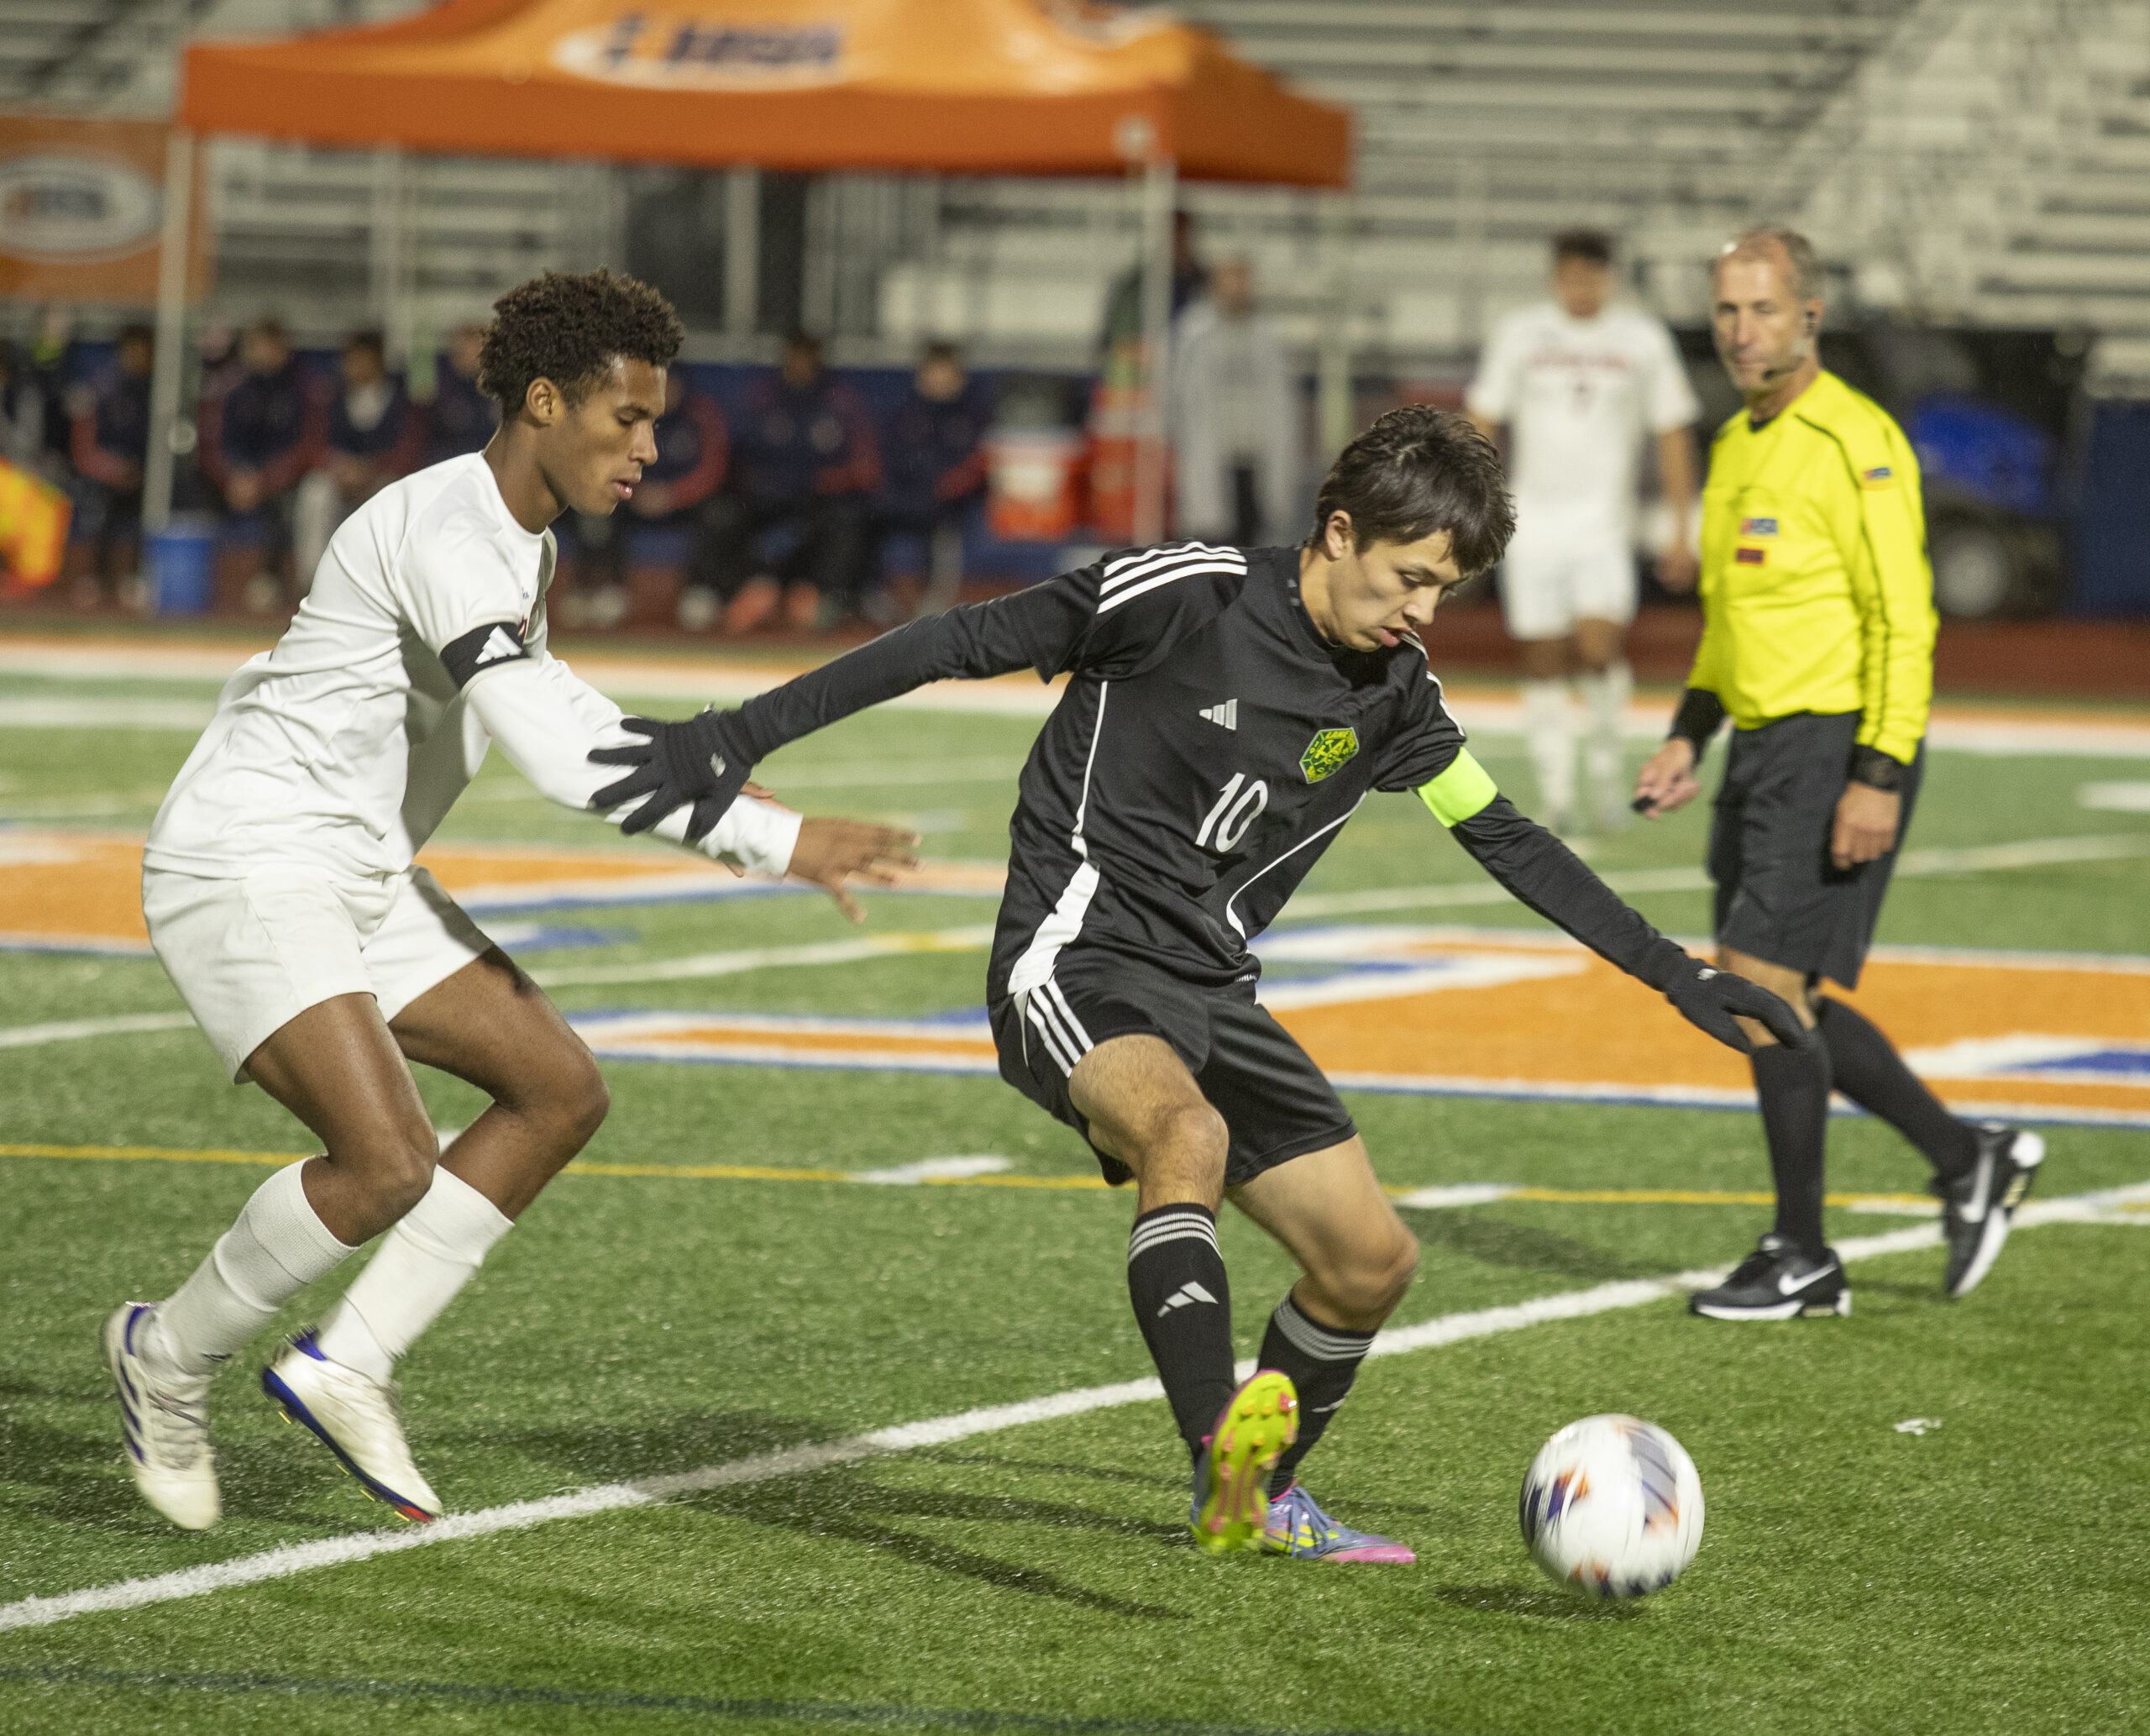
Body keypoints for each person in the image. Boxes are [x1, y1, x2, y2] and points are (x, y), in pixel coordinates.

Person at [586, 406, 1807, 1560]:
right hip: (1077, 954)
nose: (1424, 611)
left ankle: (1262, 1500)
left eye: (1446, 589)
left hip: (1214, 987)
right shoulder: (1189, 594)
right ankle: (1221, 1459)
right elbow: (952, 639)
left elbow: (1505, 835)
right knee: (1190, 1132)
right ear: (1339, 533)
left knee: (1370, 1261)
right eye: (1411, 577)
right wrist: (734, 738)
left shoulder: (1396, 699)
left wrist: (1674, 971)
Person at [104, 269, 915, 1533]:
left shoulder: (514, 537)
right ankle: (166, 1351)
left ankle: (349, 1360)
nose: (650, 448)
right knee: (383, 1161)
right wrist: (774, 835)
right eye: (628, 419)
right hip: (248, 856)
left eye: (655, 424)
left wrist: (722, 783)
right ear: (544, 399)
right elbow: (551, 752)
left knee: (558, 1088)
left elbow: (565, 712)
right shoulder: (447, 529)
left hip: (353, 865)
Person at [1633, 227, 2045, 1322]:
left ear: (1809, 317)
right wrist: (1689, 731)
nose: (1740, 329)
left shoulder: (1857, 438)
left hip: (1836, 742)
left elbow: (1903, 621)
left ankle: (1804, 1251)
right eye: (1726, 309)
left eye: (1762, 309)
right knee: (1786, 993)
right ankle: (1970, 1157)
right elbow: (1731, 622)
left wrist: (1879, 770)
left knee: (1758, 986)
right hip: (1761, 747)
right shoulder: (1733, 444)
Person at [1467, 229, 1701, 836]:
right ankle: (1555, 795)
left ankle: (1602, 767)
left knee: (1598, 650)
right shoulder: (1520, 334)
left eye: (1592, 276)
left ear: (1610, 278)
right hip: (1532, 523)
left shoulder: (1642, 340)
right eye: (1571, 275)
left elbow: (1672, 429)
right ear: (1554, 276)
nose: (1581, 287)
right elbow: (1483, 417)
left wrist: (1683, 526)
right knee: (1542, 658)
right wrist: (1474, 500)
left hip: (1603, 528)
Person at [695, 332, 879, 636]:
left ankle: (819, 595)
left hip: (818, 501)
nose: (801, 364)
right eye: (796, 355)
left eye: (809, 357)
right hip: (764, 498)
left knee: (846, 520)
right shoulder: (762, 397)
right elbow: (735, 457)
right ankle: (737, 591)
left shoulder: (841, 402)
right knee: (721, 514)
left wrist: (820, 481)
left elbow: (865, 468)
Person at [197, 317, 327, 611]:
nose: (257, 354)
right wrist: (234, 476)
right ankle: (201, 583)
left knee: (288, 506)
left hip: (282, 481)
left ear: (282, 349)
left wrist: (265, 480)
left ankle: (272, 580)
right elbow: (217, 442)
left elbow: (306, 446)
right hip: (237, 479)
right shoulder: (233, 388)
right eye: (252, 347)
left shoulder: (305, 389)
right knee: (195, 493)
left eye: (265, 347)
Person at [1169, 256, 1297, 547]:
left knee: (1252, 547)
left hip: (1253, 460)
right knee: (1209, 551)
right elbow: (1175, 397)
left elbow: (1281, 407)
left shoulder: (1266, 337)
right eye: (1232, 281)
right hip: (1211, 459)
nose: (1239, 290)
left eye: (1244, 282)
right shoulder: (1194, 334)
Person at [293, 330, 426, 589]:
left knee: (396, 495)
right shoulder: (330, 396)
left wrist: (369, 471)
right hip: (338, 479)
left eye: (363, 360)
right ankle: (312, 582)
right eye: (351, 360)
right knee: (315, 493)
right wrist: (339, 468)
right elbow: (313, 444)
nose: (355, 367)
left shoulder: (403, 399)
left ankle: (391, 585)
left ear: (378, 361)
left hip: (381, 479)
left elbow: (409, 450)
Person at [874, 340, 990, 620]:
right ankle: (877, 599)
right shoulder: (905, 414)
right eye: (933, 371)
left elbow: (979, 465)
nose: (938, 379)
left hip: (947, 503)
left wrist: (947, 488)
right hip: (902, 496)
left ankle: (935, 605)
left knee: (942, 526)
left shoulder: (972, 416)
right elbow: (885, 460)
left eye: (945, 371)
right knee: (862, 516)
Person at [67, 323, 155, 603]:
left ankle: (136, 574)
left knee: (155, 501)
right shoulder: (99, 389)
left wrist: (140, 471)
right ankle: (96, 576)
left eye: (143, 353)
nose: (137, 359)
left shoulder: (158, 391)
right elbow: (83, 449)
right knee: (100, 505)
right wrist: (116, 470)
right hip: (105, 474)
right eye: (132, 352)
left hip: (144, 473)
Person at [422, 325, 499, 468]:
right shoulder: (440, 380)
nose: (476, 356)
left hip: (484, 461)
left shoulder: (494, 385)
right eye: (468, 349)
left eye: (480, 349)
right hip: (445, 462)